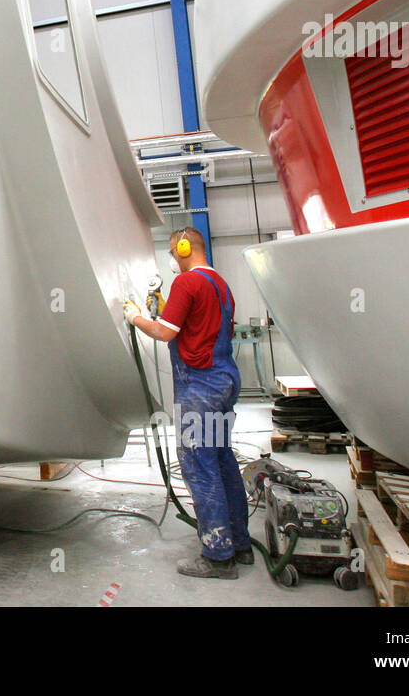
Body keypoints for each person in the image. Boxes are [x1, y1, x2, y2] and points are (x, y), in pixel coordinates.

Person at [122, 227, 252, 579]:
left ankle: (217, 556)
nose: (171, 258)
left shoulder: (186, 283)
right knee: (222, 460)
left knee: (199, 464)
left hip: (201, 386)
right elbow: (199, 324)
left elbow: (165, 333)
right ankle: (240, 544)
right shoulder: (219, 284)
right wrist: (164, 310)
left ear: (182, 247)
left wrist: (135, 317)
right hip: (225, 380)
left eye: (171, 251)